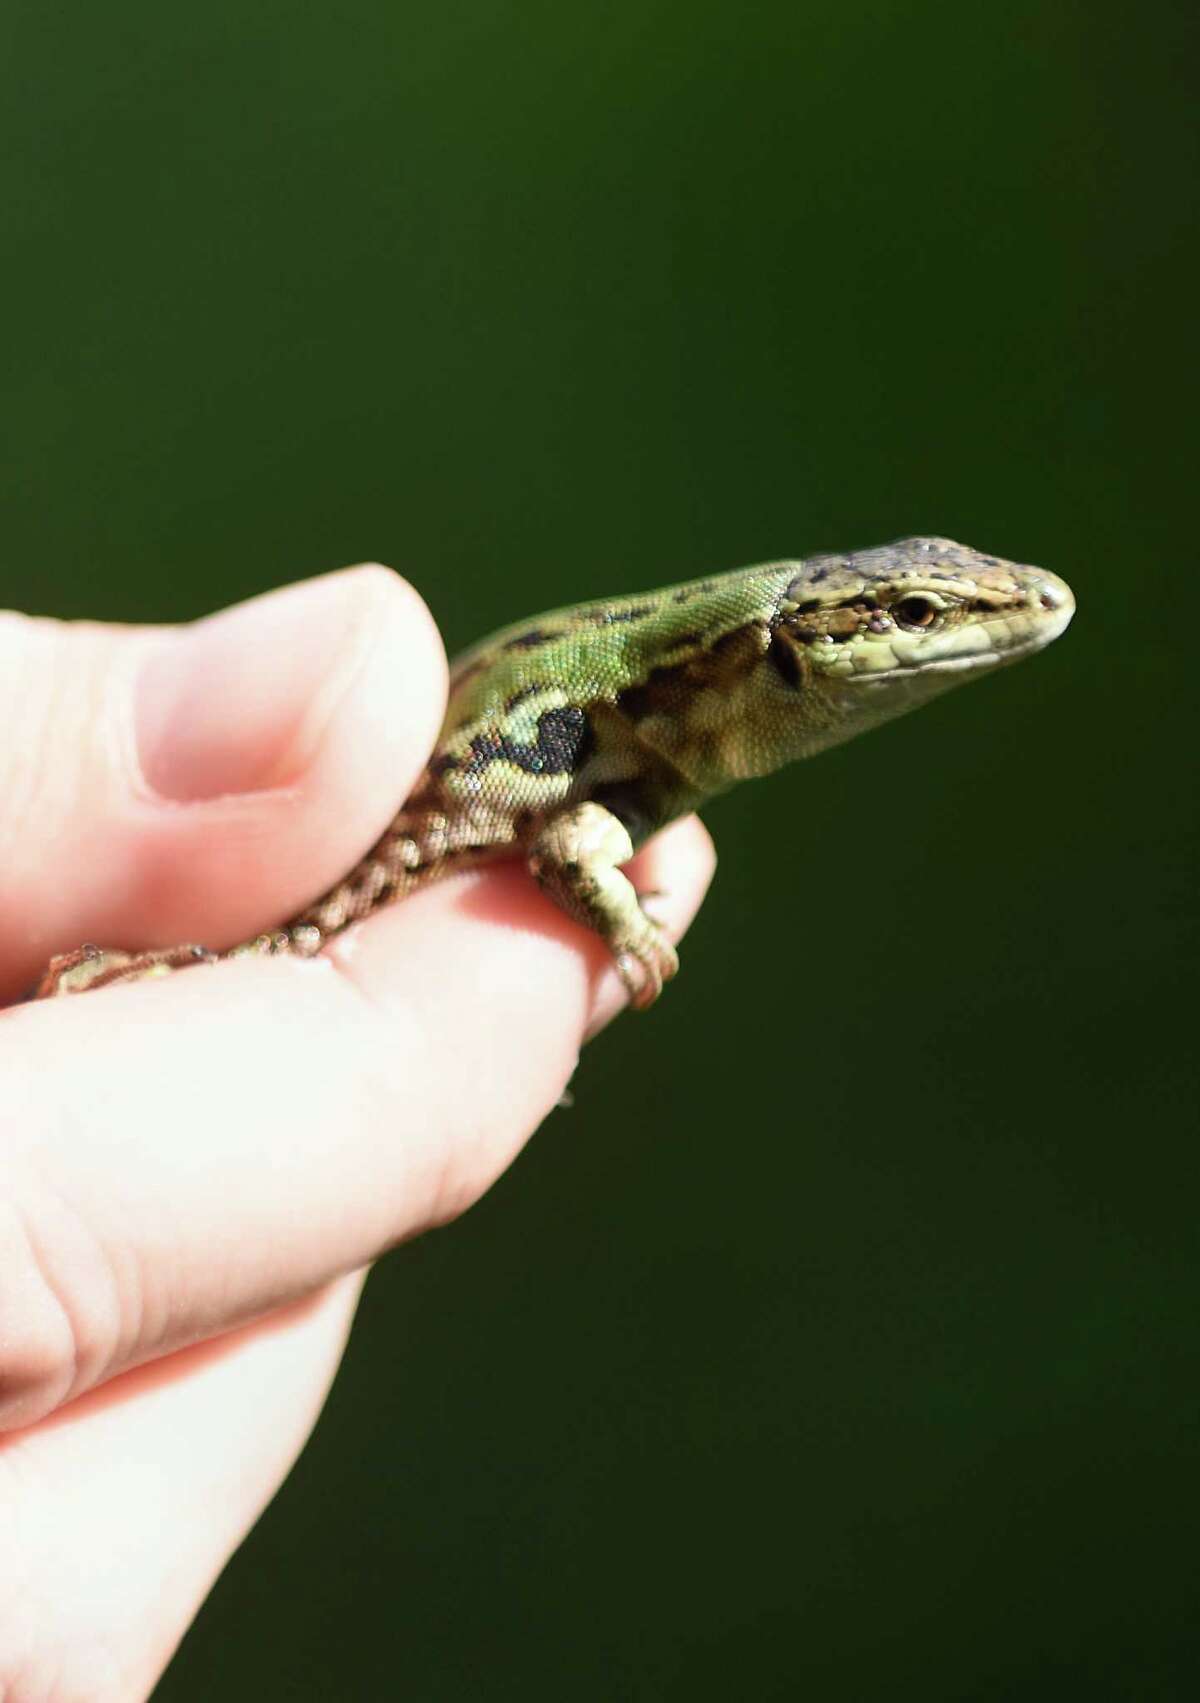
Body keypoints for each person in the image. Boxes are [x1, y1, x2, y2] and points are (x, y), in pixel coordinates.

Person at [0, 564, 713, 1698]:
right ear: (775, 652)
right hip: (243, 934)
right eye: (914, 618)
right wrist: (623, 922)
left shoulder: (637, 758)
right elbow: (571, 855)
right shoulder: (626, 766)